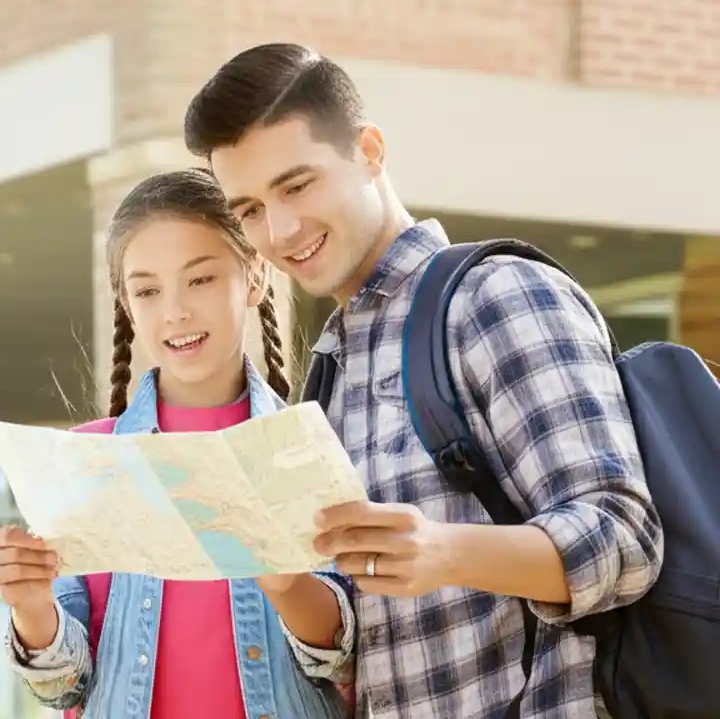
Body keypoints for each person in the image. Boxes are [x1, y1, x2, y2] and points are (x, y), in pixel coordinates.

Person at [181, 43, 663, 718]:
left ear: (370, 151)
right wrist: (283, 581)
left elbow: (624, 538)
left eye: (297, 185)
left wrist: (446, 551)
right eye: (250, 210)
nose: (280, 230)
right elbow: (357, 649)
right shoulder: (330, 373)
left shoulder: (495, 296)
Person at [0, 168, 348, 719]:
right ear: (128, 306)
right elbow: (64, 688)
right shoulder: (87, 463)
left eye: (200, 279)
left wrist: (285, 581)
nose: (175, 310)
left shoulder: (305, 449)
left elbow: (339, 657)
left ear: (254, 277)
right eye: (148, 290)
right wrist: (32, 608)